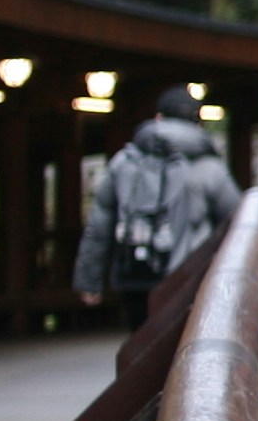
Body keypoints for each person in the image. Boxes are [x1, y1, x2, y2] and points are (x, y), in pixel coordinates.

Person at [74, 85, 241, 329]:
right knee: (183, 347)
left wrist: (89, 281)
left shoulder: (124, 161)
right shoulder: (208, 167)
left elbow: (99, 225)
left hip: (135, 273)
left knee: (141, 346)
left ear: (158, 118)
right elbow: (237, 220)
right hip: (187, 276)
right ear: (198, 123)